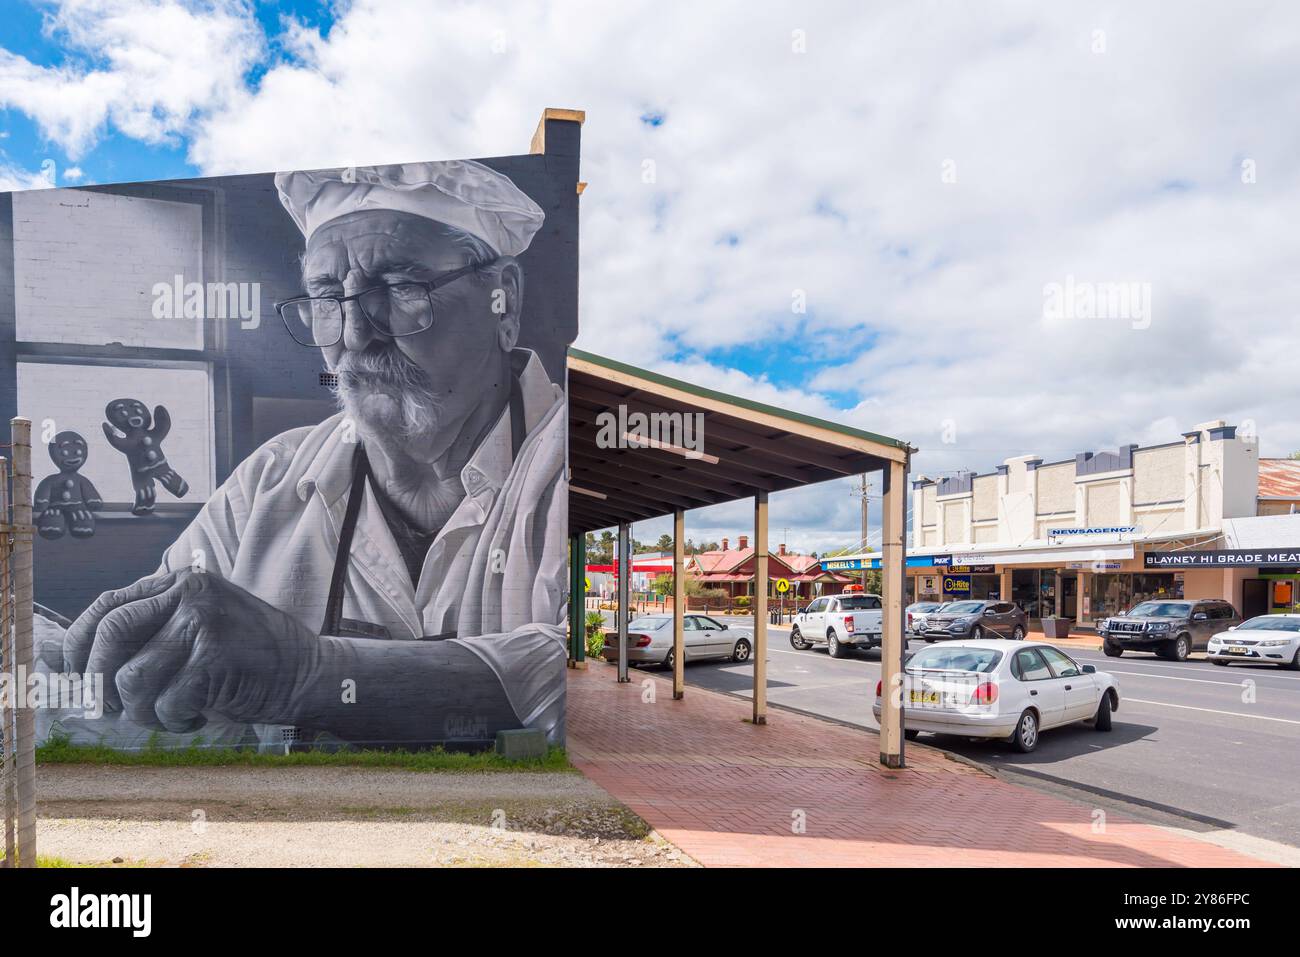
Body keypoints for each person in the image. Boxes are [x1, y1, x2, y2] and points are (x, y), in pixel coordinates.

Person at [58, 161, 569, 749]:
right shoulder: (269, 480)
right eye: (329, 297)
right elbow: (158, 663)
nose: (354, 334)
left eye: (402, 288)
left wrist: (311, 675)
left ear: (502, 299)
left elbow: (584, 671)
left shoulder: (580, 468)